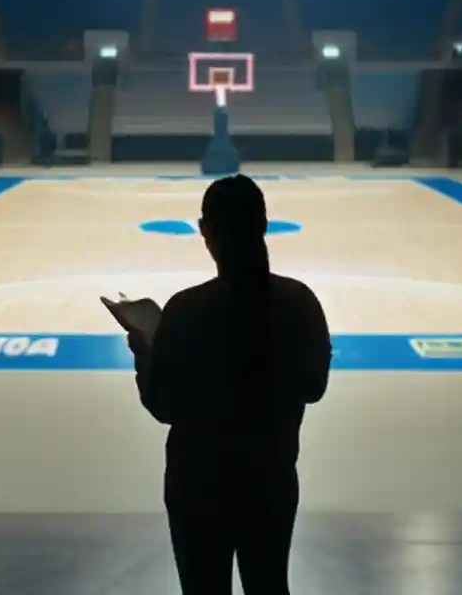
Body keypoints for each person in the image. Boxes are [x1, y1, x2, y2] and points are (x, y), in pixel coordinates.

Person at [129, 175, 332, 595]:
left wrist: (143, 355)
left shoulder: (185, 309)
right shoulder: (300, 301)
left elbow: (163, 405)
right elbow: (314, 387)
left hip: (197, 483)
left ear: (205, 231)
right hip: (271, 475)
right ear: (263, 224)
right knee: (269, 584)